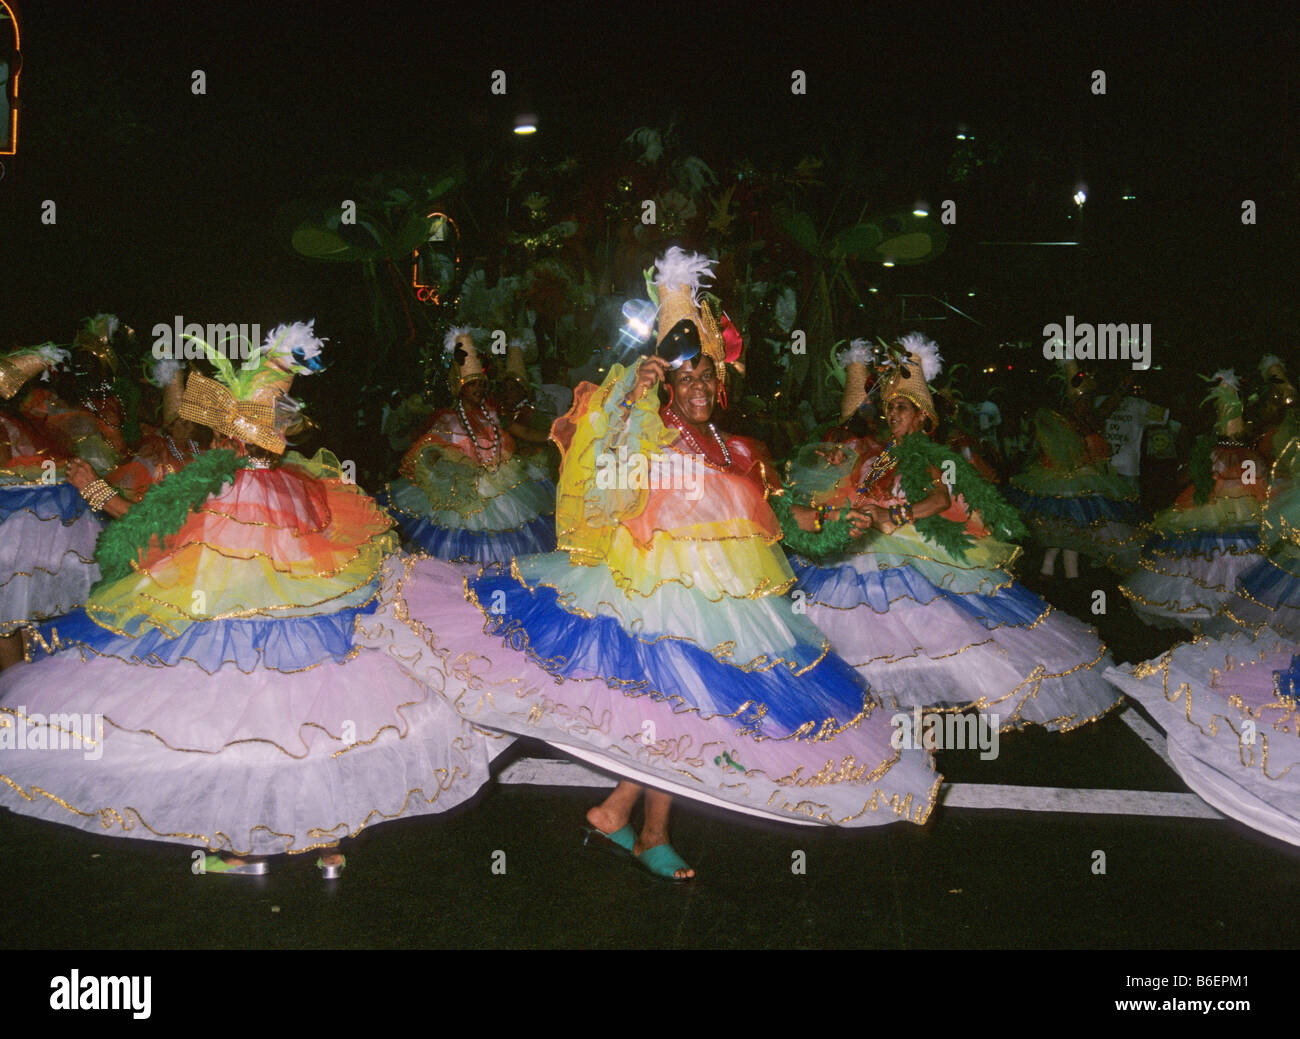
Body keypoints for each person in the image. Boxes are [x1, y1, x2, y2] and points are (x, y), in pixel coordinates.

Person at [355, 248, 941, 881]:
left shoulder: (742, 450)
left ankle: (621, 814)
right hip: (645, 591)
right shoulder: (646, 432)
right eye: (683, 377)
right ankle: (642, 827)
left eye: (705, 378)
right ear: (667, 382)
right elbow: (602, 469)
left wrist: (836, 525)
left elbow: (789, 522)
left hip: (732, 604)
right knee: (670, 705)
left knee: (680, 710)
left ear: (720, 384)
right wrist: (634, 399)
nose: (696, 389)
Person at [0, 322, 500, 877]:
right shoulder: (298, 483)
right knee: (313, 727)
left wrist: (94, 491)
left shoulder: (225, 487)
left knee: (238, 734)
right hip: (307, 633)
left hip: (226, 634)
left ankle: (243, 851)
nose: (207, 438)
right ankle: (325, 841)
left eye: (216, 429)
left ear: (230, 439)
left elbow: (158, 533)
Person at [785, 334, 1121, 731]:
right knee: (872, 627)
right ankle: (885, 712)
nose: (892, 415)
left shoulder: (929, 454)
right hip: (871, 539)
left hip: (910, 543)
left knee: (934, 625)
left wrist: (897, 516)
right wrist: (856, 507)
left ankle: (932, 713)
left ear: (921, 417)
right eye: (890, 408)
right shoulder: (882, 456)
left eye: (901, 409)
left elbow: (941, 501)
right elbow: (863, 491)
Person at [378, 327, 555, 566]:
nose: (479, 390)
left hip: (499, 483)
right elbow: (427, 451)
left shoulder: (492, 412)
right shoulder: (448, 419)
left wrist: (556, 435)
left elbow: (521, 432)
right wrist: (448, 468)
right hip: (462, 490)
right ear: (461, 388)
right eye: (473, 386)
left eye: (481, 385)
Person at [1120, 370, 1268, 629]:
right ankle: (1220, 605)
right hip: (1222, 502)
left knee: (1222, 552)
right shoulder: (1223, 454)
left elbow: (1247, 480)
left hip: (1228, 501)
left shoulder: (1229, 455)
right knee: (1223, 552)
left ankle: (1225, 605)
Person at [0, 344, 102, 671]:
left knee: (13, 615)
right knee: (15, 614)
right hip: (18, 522)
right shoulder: (12, 422)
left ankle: (18, 695)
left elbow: (7, 471)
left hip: (17, 523)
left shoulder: (10, 424)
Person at [1007, 359, 1143, 578]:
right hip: (1065, 480)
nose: (1085, 405)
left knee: (1070, 529)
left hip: (1079, 478)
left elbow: (1107, 409)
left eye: (1087, 401)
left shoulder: (1085, 420)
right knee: (1067, 528)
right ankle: (1061, 573)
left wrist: (1123, 387)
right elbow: (1056, 451)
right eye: (1081, 401)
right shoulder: (1057, 422)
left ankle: (1058, 571)